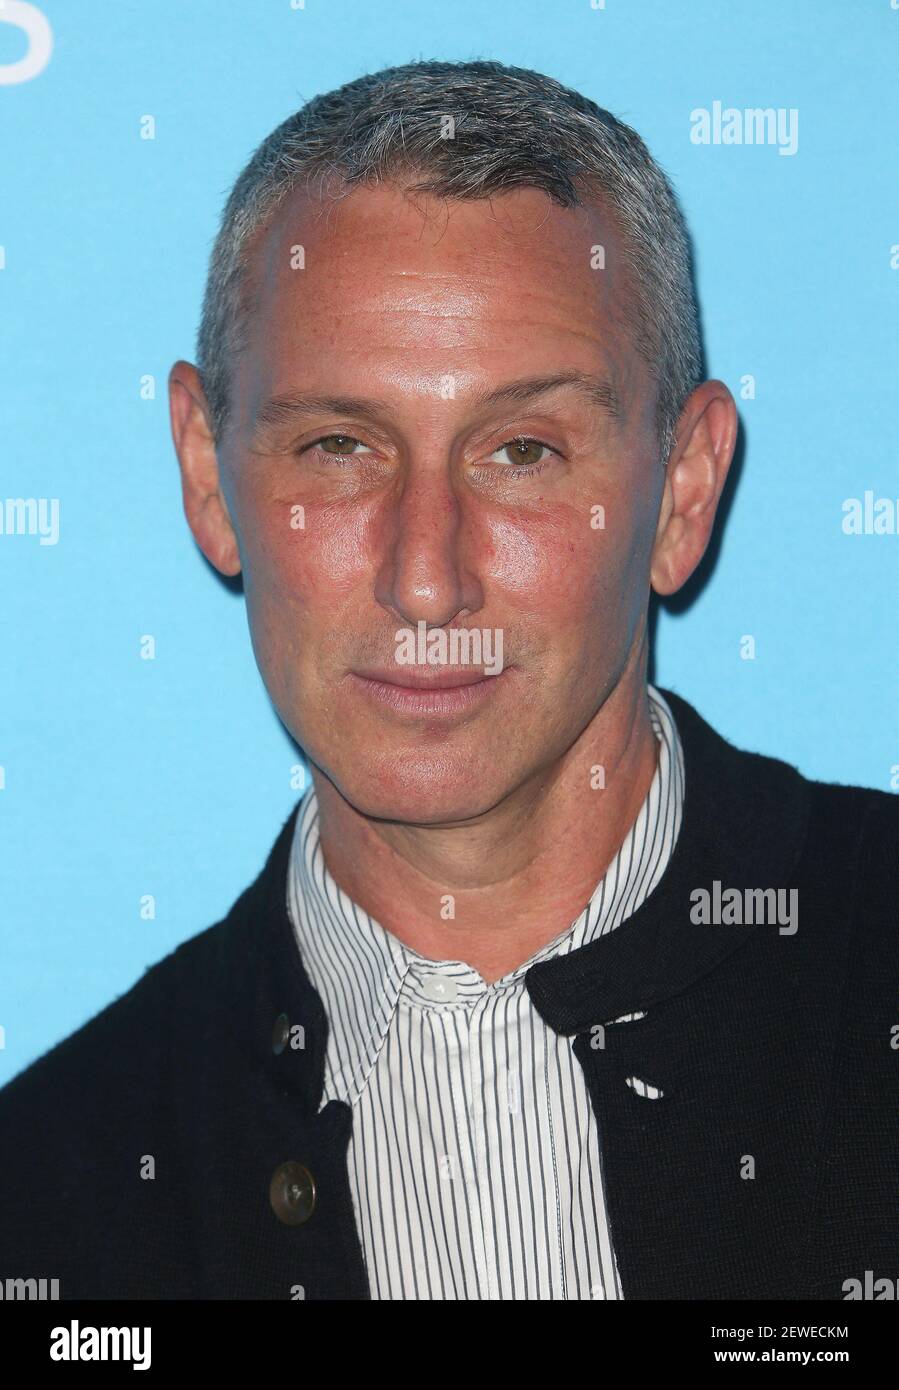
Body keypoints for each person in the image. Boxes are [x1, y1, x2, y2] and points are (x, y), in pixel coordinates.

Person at [1, 59, 895, 1301]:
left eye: (522, 450)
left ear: (681, 489)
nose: (426, 578)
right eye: (339, 445)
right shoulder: (52, 1198)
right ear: (207, 479)